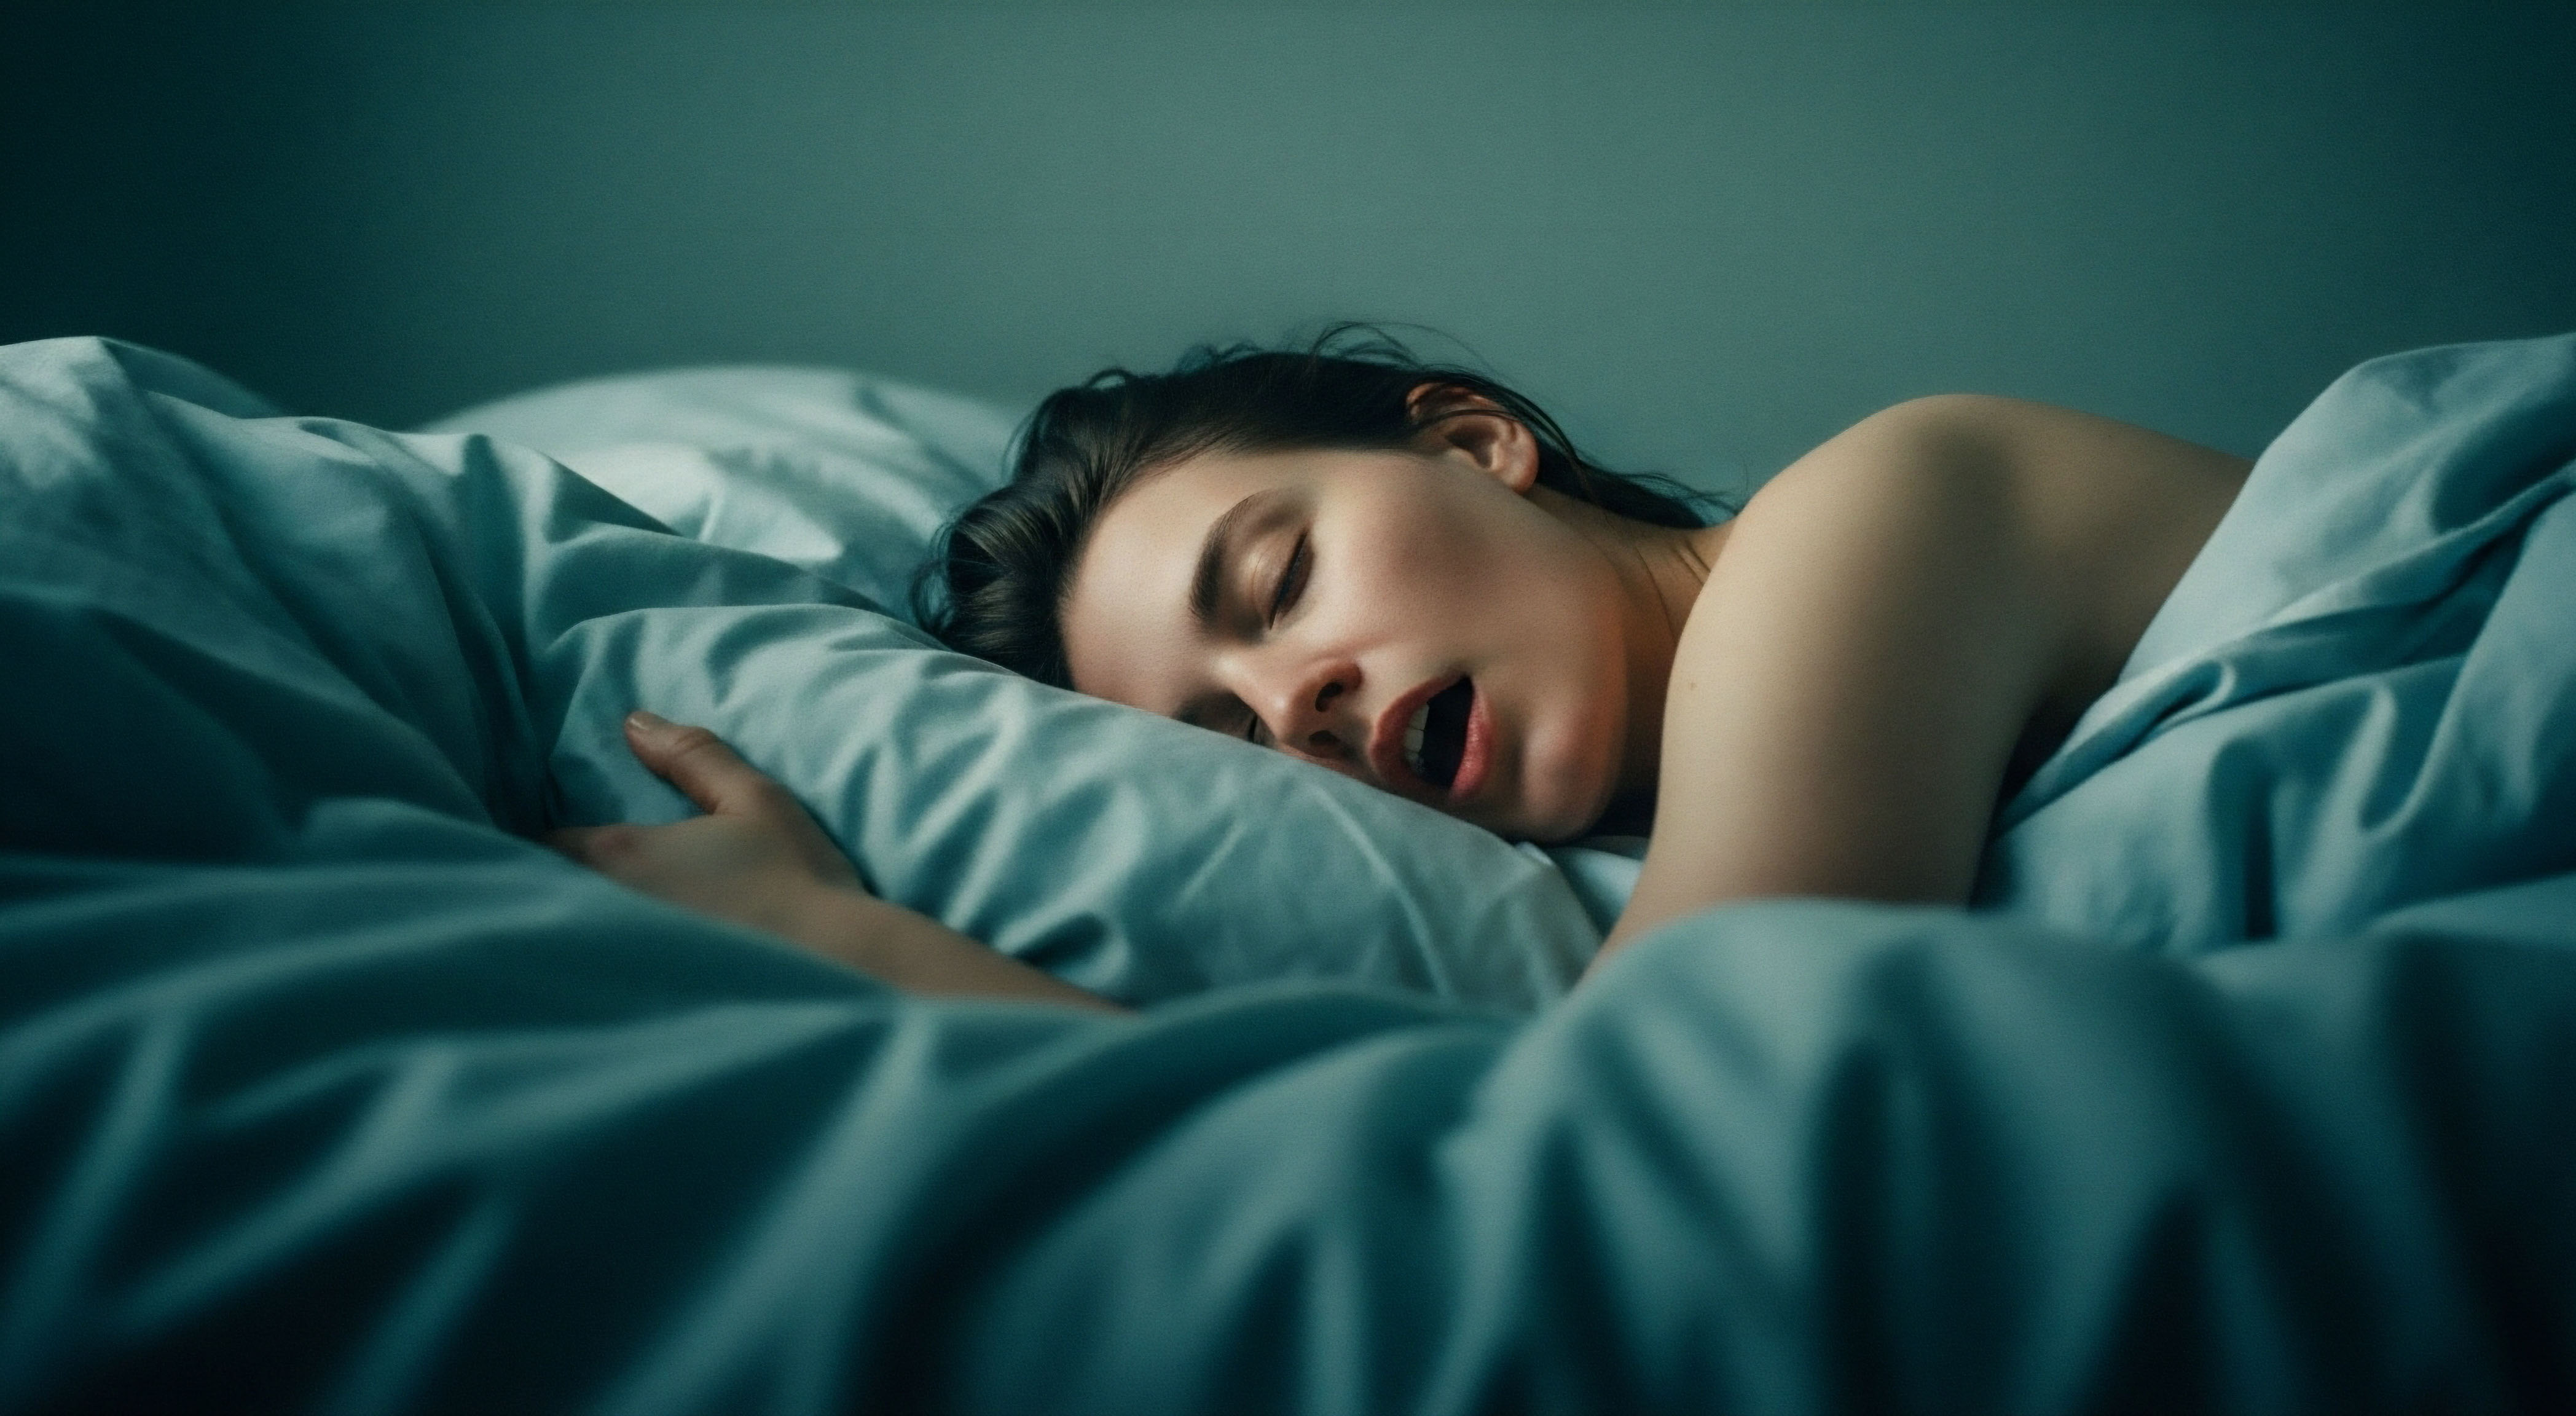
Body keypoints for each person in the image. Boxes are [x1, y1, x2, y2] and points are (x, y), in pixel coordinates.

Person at [553, 329, 2250, 1009]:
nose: (1292, 708)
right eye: (1224, 731)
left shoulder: (1861, 520)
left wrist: (834, 938)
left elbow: (1631, 1153)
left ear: (1478, 441)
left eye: (1278, 579)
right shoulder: (1670, 844)